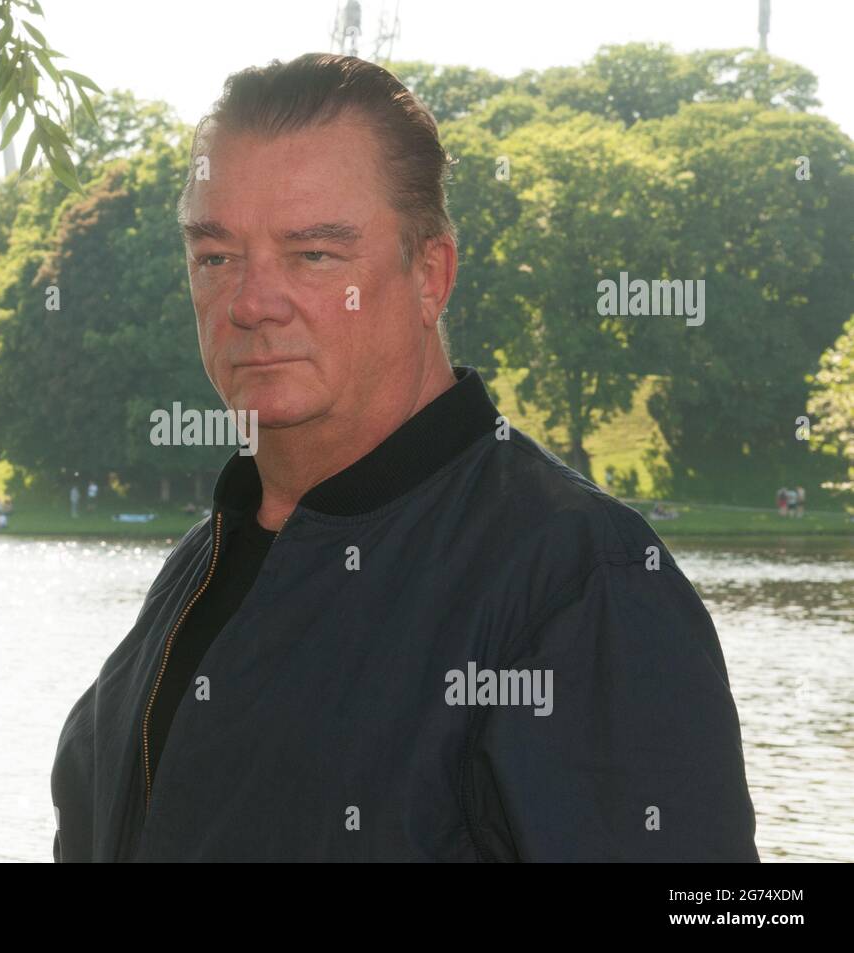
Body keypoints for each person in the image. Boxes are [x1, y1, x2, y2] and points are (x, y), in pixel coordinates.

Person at [50, 53, 757, 863]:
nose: (250, 302)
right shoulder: (202, 568)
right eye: (216, 257)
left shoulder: (578, 584)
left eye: (314, 254)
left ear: (431, 274)